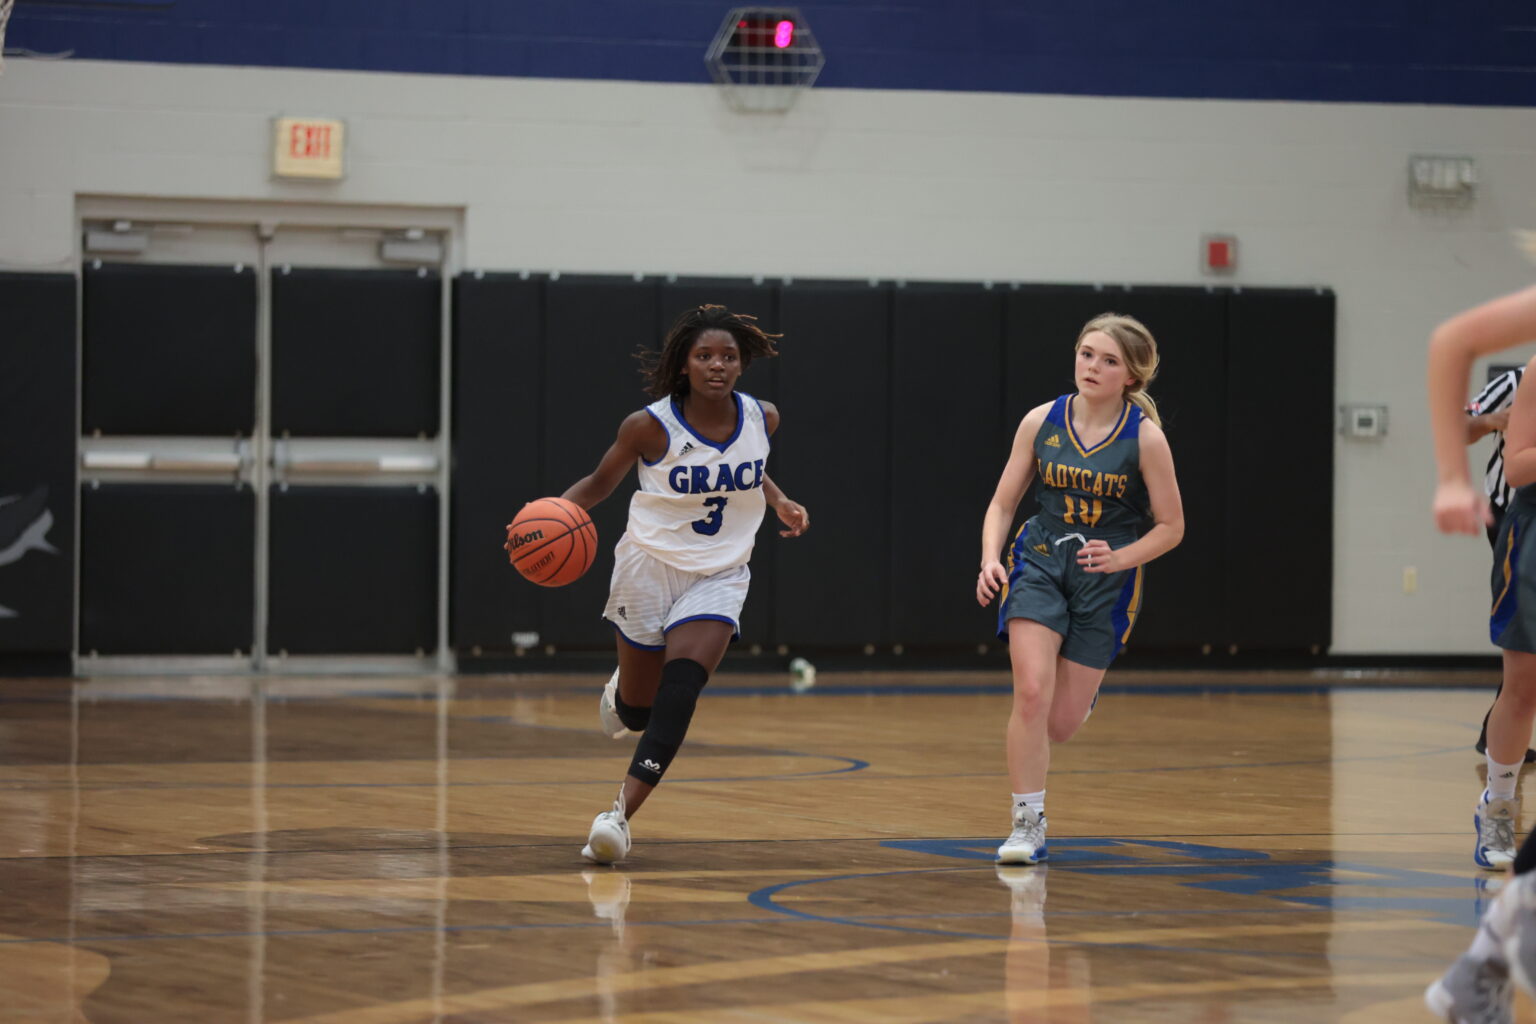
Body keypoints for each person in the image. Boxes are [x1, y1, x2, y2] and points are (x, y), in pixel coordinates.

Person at [518, 304, 809, 866]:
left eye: (728, 356)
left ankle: (617, 817)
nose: (717, 365)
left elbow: (751, 465)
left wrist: (779, 499)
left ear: (742, 364)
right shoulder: (648, 426)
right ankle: (620, 694)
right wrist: (542, 521)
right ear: (684, 366)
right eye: (705, 356)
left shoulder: (763, 417)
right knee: (639, 710)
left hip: (721, 572)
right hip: (648, 567)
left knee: (681, 691)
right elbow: (601, 485)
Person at [976, 313, 1185, 864]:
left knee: (1061, 726)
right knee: (1030, 693)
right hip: (1040, 558)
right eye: (1087, 353)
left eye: (1109, 360)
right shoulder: (1040, 421)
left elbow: (1172, 527)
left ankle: (1083, 691)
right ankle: (1027, 825)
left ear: (1131, 379)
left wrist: (1121, 556)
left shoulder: (1146, 440)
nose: (1093, 367)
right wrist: (989, 559)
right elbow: (1002, 504)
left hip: (1106, 578)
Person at [1426, 282, 1536, 1021]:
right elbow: (1513, 457)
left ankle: (1492, 953)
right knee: (1523, 686)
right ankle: (1498, 803)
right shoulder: (1525, 368)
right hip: (1528, 529)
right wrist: (1455, 475)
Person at [1466, 366, 1536, 762]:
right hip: (1517, 517)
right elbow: (1459, 426)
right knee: (1522, 641)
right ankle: (1501, 756)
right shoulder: (1518, 380)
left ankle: (1498, 733)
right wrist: (1494, 420)